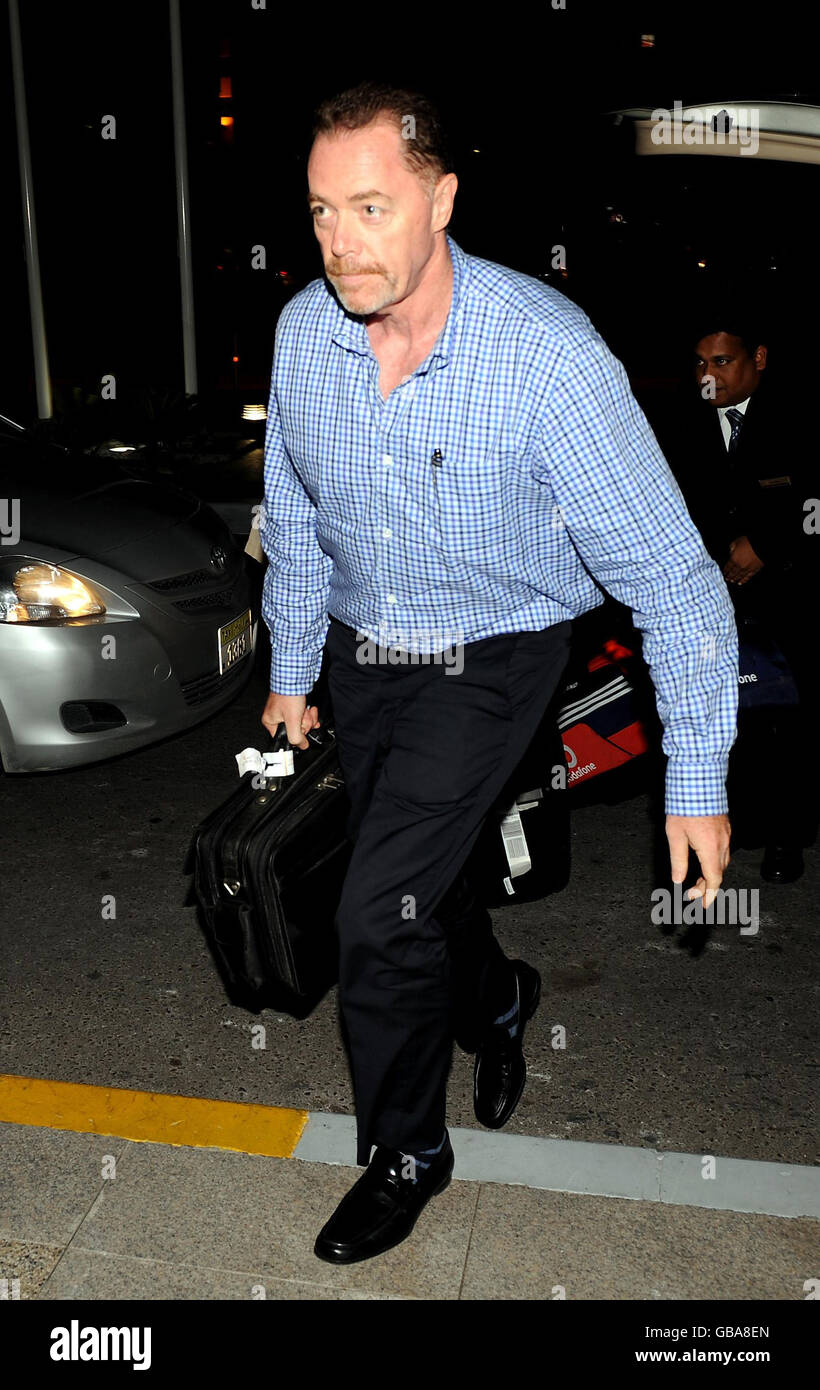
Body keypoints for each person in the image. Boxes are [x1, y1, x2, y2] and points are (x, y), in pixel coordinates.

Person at [258, 81, 737, 1265]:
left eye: (370, 207)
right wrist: (293, 663)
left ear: (441, 198)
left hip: (496, 651)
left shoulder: (548, 358)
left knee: (374, 911)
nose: (338, 241)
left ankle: (407, 1151)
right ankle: (498, 998)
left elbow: (677, 577)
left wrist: (696, 776)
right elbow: (294, 512)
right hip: (370, 650)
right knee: (416, 884)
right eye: (321, 211)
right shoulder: (302, 335)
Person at [657, 318, 817, 881]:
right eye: (700, 362)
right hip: (713, 591)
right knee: (730, 713)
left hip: (789, 594)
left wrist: (767, 547)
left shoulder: (800, 414)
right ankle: (736, 822)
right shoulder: (681, 421)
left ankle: (787, 838)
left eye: (721, 362)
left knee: (787, 720)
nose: (707, 375)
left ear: (760, 359)